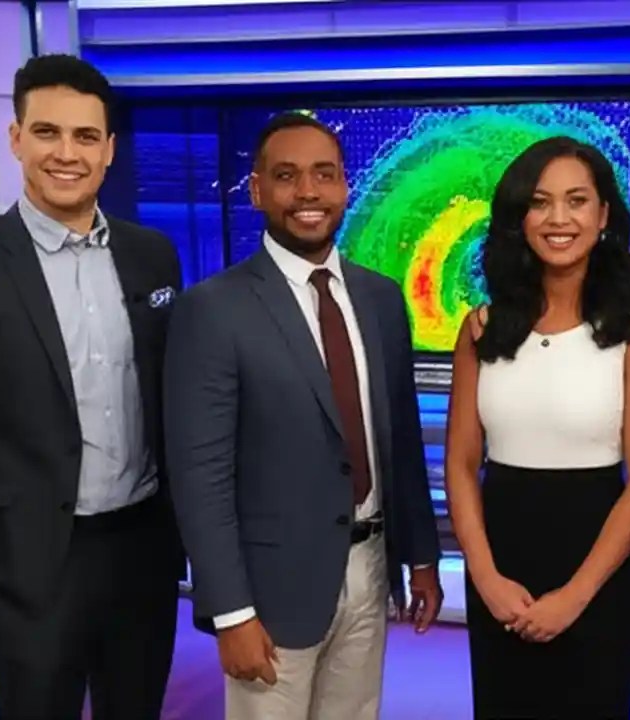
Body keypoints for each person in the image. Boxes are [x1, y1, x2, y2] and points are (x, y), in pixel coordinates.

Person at [0, 54, 183, 719]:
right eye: (48, 132)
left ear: (110, 150)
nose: (67, 153)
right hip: (21, 570)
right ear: (16, 137)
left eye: (86, 137)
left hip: (141, 553)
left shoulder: (153, 255)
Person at [163, 112, 444, 719]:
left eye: (324, 175)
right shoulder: (212, 309)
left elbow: (397, 441)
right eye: (287, 177)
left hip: (371, 569)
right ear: (259, 191)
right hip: (270, 592)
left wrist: (421, 557)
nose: (308, 193)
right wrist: (230, 610)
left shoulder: (381, 298)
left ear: (346, 185)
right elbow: (199, 476)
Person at [445, 136, 630, 719]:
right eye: (541, 202)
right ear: (520, 218)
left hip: (598, 575)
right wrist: (487, 577)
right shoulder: (481, 329)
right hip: (499, 569)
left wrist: (574, 596)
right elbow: (461, 465)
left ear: (602, 215)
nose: (559, 218)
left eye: (576, 200)